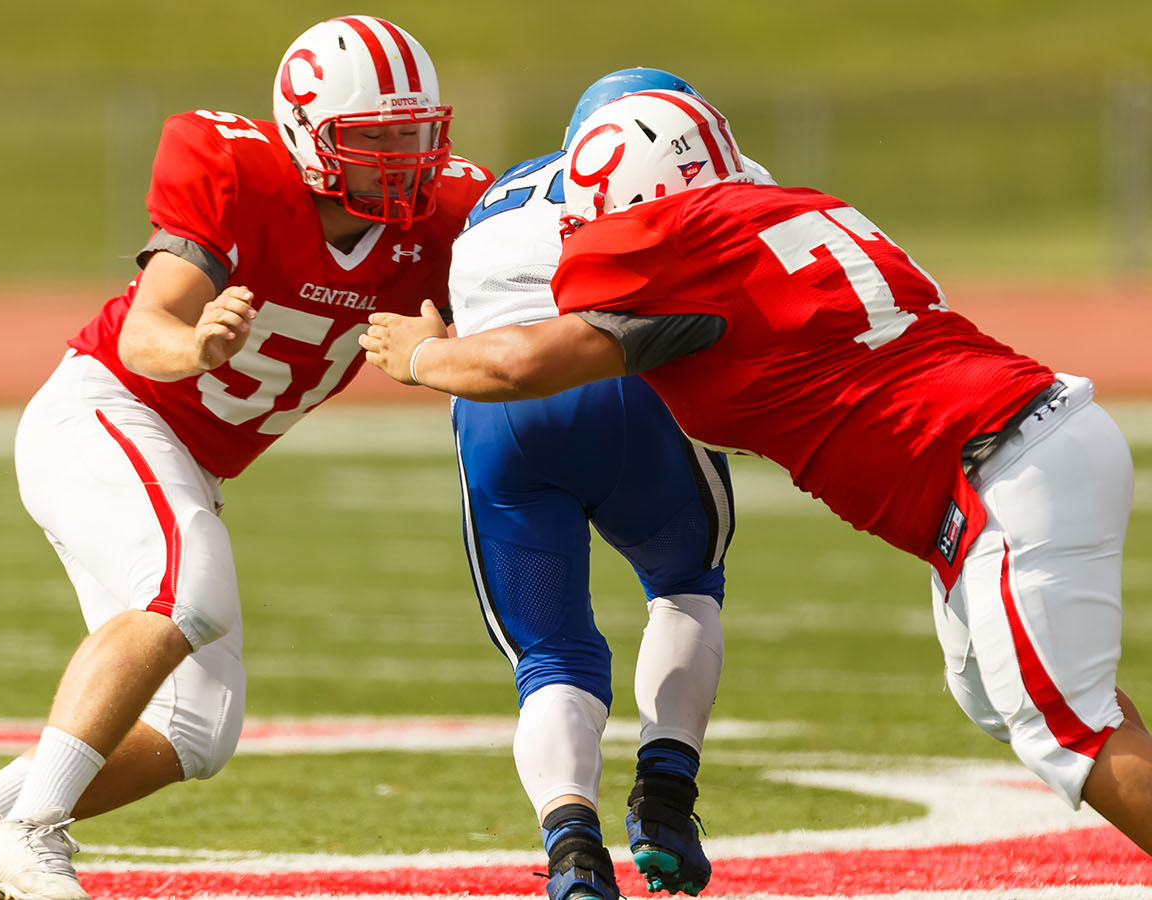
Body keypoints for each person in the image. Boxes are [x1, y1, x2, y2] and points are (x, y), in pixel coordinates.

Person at [360, 88, 1152, 855]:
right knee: (1000, 690)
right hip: (1031, 442)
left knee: (1064, 730)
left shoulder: (675, 238)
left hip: (999, 475)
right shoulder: (795, 210)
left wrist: (423, 355)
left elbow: (526, 362)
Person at [0, 16, 490, 900]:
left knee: (198, 727)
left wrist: (449, 350)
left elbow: (513, 340)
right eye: (376, 140)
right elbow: (152, 324)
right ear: (311, 138)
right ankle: (30, 835)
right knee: (183, 593)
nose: (406, 160)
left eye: (416, 136)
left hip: (185, 462)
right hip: (106, 412)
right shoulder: (234, 169)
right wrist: (197, 348)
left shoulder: (447, 218)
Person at [448, 69, 770, 898]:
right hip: (630, 383)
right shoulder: (693, 171)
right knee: (686, 585)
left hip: (498, 414)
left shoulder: (501, 192)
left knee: (549, 654)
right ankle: (664, 799)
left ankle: (571, 847)